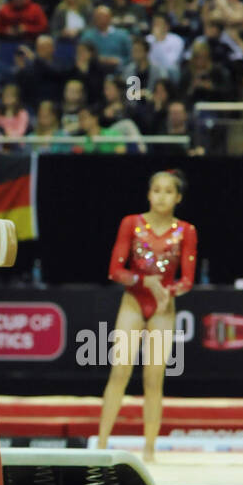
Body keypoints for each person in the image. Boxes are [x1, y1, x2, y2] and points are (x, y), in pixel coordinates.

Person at [97, 170, 197, 462]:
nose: (161, 196)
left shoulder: (186, 231)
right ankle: (102, 443)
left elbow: (188, 279)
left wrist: (171, 291)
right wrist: (145, 282)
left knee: (154, 378)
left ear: (178, 198)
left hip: (163, 307)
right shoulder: (131, 224)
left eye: (168, 191)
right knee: (120, 372)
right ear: (148, 194)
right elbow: (115, 270)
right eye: (156, 190)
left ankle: (150, 448)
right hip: (134, 302)